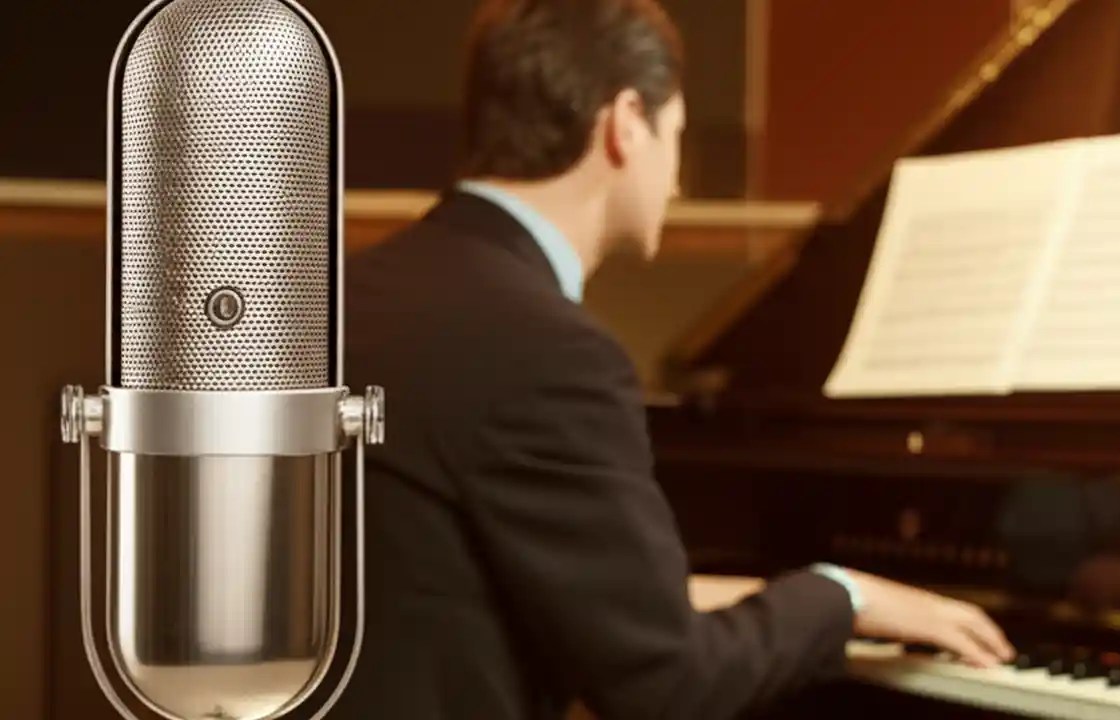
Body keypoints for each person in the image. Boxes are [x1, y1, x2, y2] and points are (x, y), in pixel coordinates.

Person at [334, 0, 1013, 717]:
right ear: (627, 123)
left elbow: (546, 592)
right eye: (678, 135)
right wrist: (844, 595)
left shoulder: (349, 296)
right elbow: (667, 686)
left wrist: (770, 594)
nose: (679, 181)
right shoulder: (551, 351)